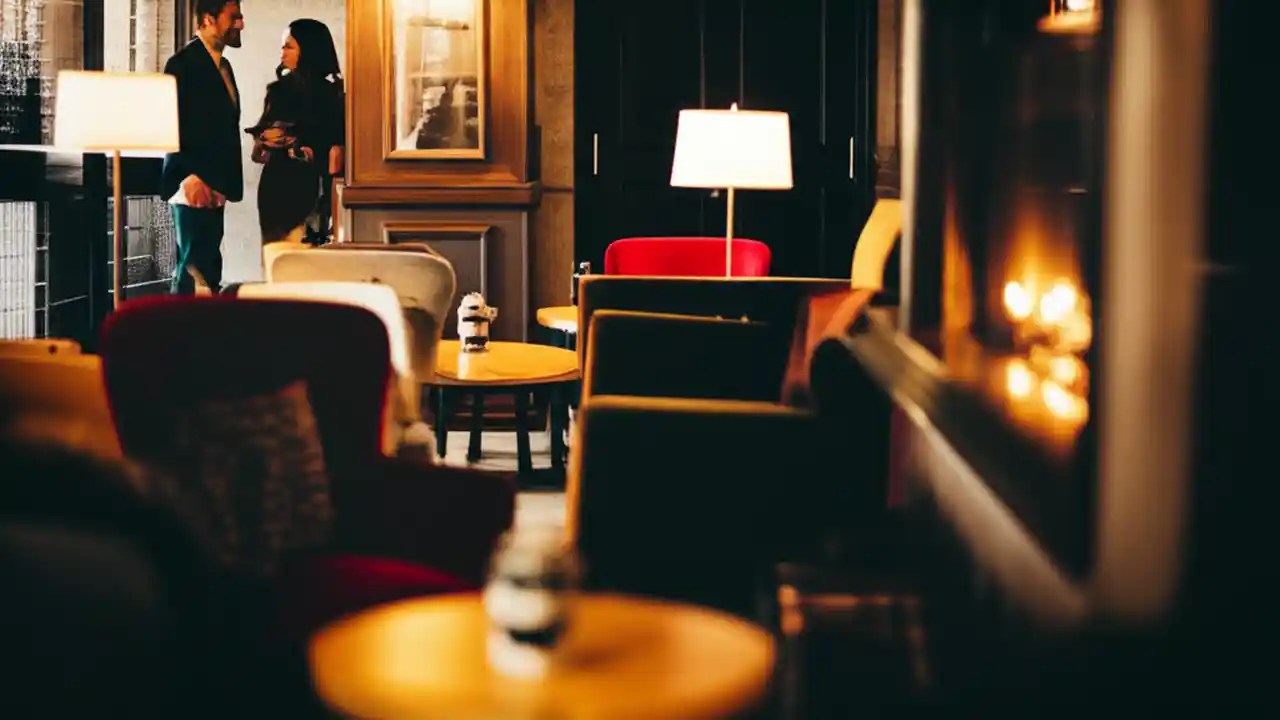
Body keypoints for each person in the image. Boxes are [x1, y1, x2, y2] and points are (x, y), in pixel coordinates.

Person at [161, 0, 245, 295]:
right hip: (193, 183)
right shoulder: (181, 64)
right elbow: (170, 124)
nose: (240, 24)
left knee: (209, 270)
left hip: (216, 184)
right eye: (233, 17)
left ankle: (202, 336)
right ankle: (177, 337)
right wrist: (188, 177)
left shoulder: (224, 67)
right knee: (191, 271)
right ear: (208, 19)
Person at [247, 18, 345, 247]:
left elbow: (337, 150)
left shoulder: (334, 95)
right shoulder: (277, 91)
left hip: (315, 187)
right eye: (283, 46)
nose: (282, 53)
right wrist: (264, 139)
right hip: (277, 184)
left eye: (289, 46)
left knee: (309, 260)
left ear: (309, 49)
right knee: (276, 255)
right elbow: (257, 152)